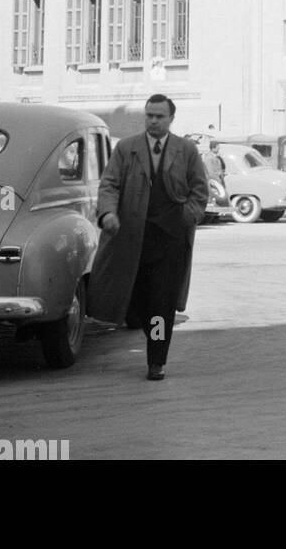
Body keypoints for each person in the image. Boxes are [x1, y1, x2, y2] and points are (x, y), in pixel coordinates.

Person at [89, 94, 209, 381]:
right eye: (149, 115)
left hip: (171, 242)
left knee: (161, 303)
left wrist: (186, 217)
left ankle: (156, 360)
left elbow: (200, 191)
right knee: (139, 298)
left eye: (160, 116)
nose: (153, 121)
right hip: (134, 241)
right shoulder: (127, 149)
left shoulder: (186, 150)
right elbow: (109, 185)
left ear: (171, 119)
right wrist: (107, 214)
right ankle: (151, 333)